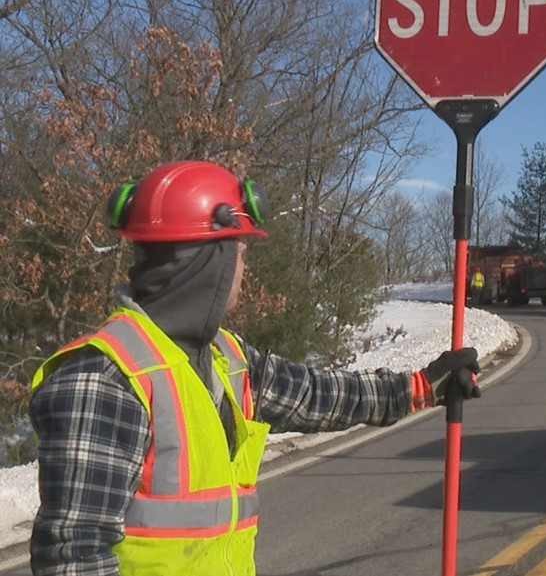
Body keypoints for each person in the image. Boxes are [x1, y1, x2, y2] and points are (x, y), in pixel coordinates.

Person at [28, 160, 481, 576]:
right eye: (240, 255)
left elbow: (315, 394)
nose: (245, 272)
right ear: (211, 262)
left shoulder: (224, 357)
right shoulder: (104, 378)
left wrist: (422, 385)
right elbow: (73, 557)